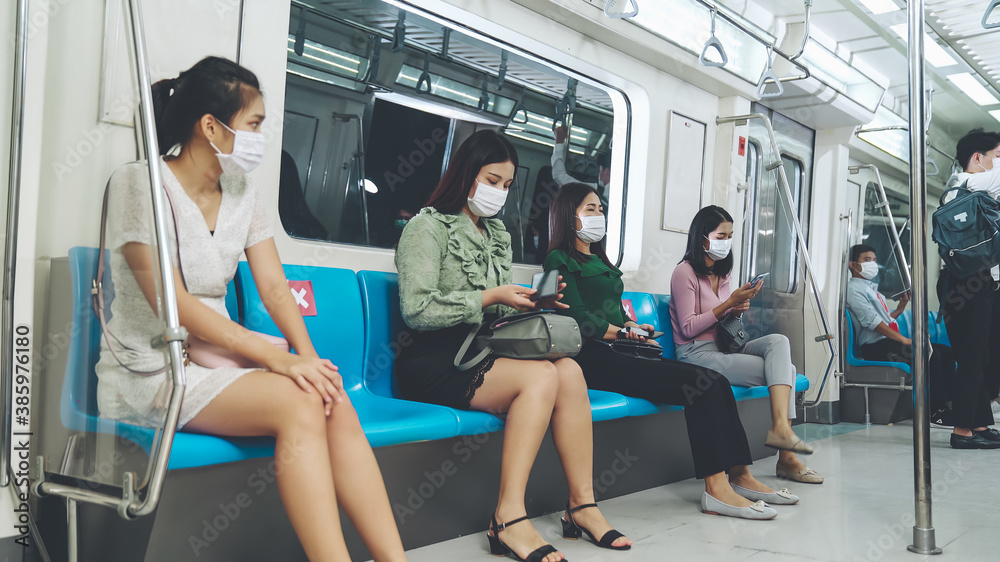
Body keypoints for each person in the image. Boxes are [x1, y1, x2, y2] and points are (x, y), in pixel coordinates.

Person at [96, 57, 406, 561]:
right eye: (255, 124)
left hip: (213, 362)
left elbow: (275, 287)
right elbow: (173, 303)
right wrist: (278, 361)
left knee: (329, 395)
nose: (262, 137)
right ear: (211, 126)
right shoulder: (140, 185)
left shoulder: (241, 192)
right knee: (300, 403)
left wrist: (309, 361)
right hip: (152, 371)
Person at [395, 131, 630, 561]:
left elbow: (498, 311)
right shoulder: (426, 228)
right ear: (466, 175)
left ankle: (582, 505)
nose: (499, 192)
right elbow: (417, 309)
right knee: (541, 377)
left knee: (569, 370)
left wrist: (531, 303)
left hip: (482, 348)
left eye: (506, 185)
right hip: (435, 359)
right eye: (492, 180)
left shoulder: (496, 234)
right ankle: (508, 518)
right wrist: (490, 297)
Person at [543, 183, 790, 521]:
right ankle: (716, 490)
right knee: (704, 386)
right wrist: (623, 333)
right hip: (592, 357)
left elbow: (613, 310)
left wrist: (635, 327)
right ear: (568, 216)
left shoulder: (599, 259)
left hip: (621, 348)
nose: (599, 215)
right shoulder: (558, 259)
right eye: (590, 209)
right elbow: (576, 317)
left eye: (600, 209)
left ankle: (740, 474)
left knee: (715, 381)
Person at [670, 205, 824, 484]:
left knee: (779, 342)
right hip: (696, 353)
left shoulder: (723, 274)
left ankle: (781, 431)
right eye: (720, 236)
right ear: (702, 237)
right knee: (787, 371)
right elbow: (688, 327)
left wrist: (737, 309)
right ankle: (786, 455)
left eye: (730, 236)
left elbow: (722, 321)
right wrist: (729, 303)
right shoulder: (684, 273)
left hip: (725, 346)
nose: (726, 242)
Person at [936, 129, 1000, 448]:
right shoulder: (970, 183)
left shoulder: (973, 190)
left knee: (983, 356)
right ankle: (962, 431)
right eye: (998, 156)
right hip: (968, 283)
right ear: (978, 158)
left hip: (978, 283)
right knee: (973, 357)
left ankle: (979, 424)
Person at [845, 244, 956, 426]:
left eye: (874, 260)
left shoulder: (871, 289)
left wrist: (900, 308)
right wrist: (905, 340)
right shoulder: (853, 289)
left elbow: (885, 320)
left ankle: (950, 406)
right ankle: (937, 412)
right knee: (930, 354)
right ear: (853, 265)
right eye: (866, 260)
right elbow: (872, 322)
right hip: (875, 347)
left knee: (946, 352)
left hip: (885, 343)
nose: (872, 264)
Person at [551, 125, 610, 205]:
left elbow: (559, 176)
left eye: (600, 171)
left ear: (606, 172)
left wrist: (559, 141)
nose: (599, 176)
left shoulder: (602, 191)